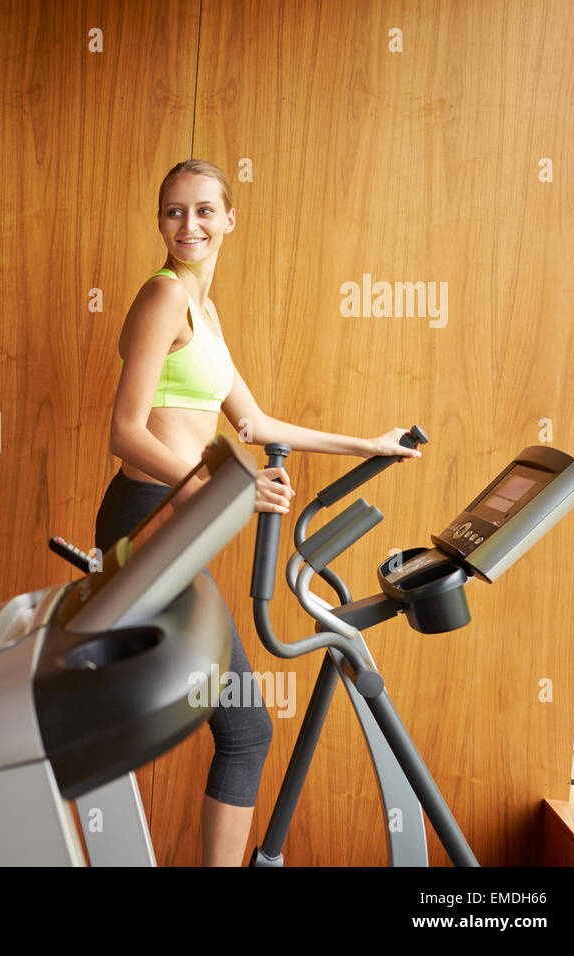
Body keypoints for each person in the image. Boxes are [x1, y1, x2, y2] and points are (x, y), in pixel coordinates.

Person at [94, 158, 419, 866]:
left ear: (229, 219)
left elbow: (255, 424)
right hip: (146, 522)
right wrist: (228, 492)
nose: (190, 225)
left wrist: (369, 444)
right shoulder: (162, 299)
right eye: (175, 212)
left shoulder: (203, 312)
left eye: (205, 210)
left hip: (179, 519)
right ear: (159, 222)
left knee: (237, 728)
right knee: (244, 727)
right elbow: (125, 432)